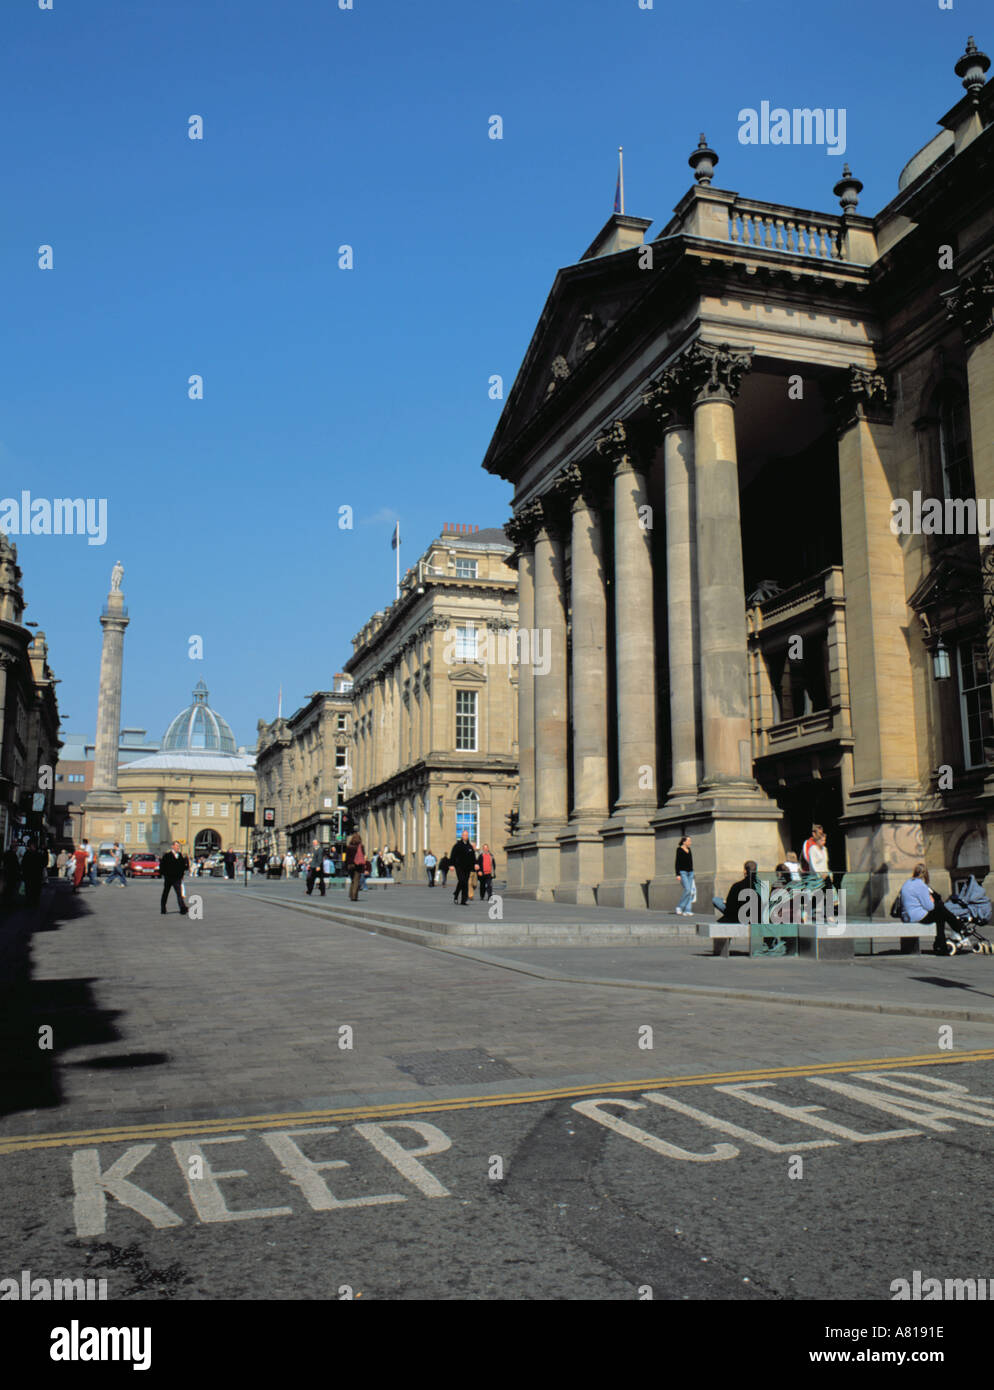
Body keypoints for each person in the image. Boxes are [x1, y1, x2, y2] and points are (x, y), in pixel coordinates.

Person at [899, 863, 959, 956]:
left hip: (906, 916)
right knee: (940, 912)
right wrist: (932, 899)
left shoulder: (907, 883)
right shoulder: (921, 885)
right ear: (926, 874)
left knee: (940, 914)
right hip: (917, 916)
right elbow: (929, 907)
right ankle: (956, 929)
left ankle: (941, 945)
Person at [713, 860, 760, 925]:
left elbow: (729, 907)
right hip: (755, 916)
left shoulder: (737, 886)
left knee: (716, 900)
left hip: (738, 916)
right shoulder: (761, 887)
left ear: (745, 871)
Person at [159, 841, 189, 915]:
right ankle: (163, 908)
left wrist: (182, 874)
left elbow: (182, 866)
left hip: (177, 878)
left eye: (178, 846)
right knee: (166, 893)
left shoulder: (180, 855)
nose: (178, 847)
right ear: (172, 846)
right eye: (176, 846)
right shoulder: (167, 855)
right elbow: (162, 866)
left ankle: (182, 908)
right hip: (169, 878)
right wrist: (164, 874)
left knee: (179, 893)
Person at [449, 830, 476, 906]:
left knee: (465, 883)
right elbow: (452, 855)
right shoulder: (457, 845)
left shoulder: (470, 846)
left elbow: (473, 857)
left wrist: (475, 865)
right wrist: (451, 865)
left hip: (467, 868)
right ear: (462, 836)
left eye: (467, 835)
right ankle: (456, 894)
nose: (465, 836)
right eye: (464, 835)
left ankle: (463, 900)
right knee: (461, 880)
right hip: (459, 867)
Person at [21, 839, 47, 908]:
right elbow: (44, 863)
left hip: (30, 876)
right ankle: (34, 903)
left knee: (30, 890)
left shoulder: (27, 854)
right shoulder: (38, 854)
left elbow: (23, 865)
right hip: (35, 876)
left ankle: (30, 902)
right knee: (35, 890)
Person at [675, 836, 695, 915]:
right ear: (684, 842)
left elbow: (691, 862)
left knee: (690, 891)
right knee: (687, 890)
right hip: (683, 872)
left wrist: (693, 872)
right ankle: (680, 906)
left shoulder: (689, 850)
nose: (690, 842)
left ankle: (688, 910)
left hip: (690, 872)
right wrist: (677, 874)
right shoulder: (679, 850)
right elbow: (677, 862)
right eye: (689, 841)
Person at [345, 831, 366, 902]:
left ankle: (351, 894)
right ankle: (354, 896)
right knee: (356, 880)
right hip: (358, 865)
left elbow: (347, 858)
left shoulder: (349, 847)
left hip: (350, 865)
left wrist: (346, 865)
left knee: (352, 880)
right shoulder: (361, 847)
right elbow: (363, 856)